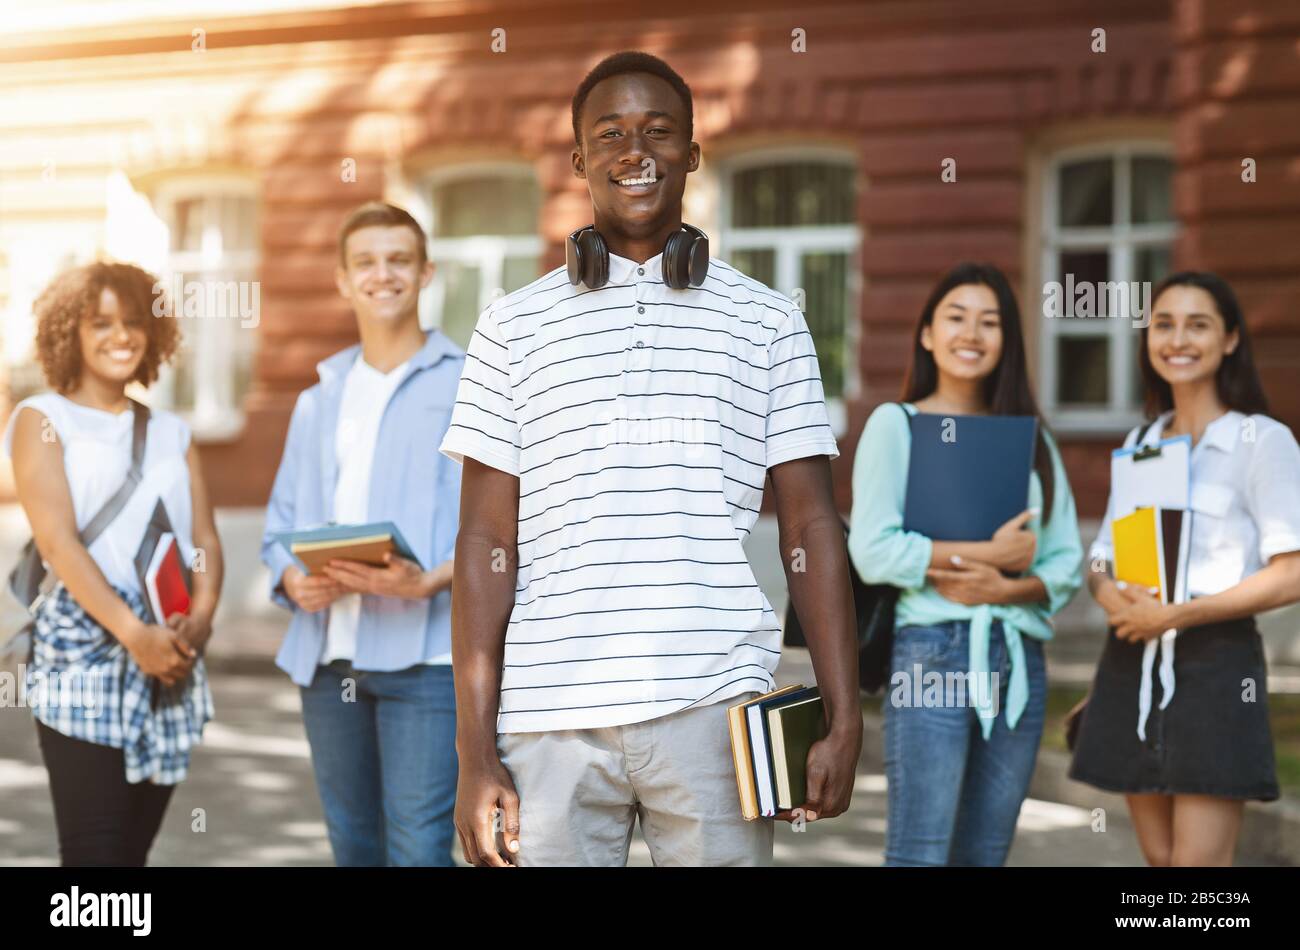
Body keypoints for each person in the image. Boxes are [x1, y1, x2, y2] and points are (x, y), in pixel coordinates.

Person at [439, 51, 862, 867]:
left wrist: (843, 715)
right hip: (548, 714)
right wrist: (474, 752)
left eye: (660, 132)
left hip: (714, 707)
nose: (637, 151)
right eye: (612, 134)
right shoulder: (510, 327)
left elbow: (810, 523)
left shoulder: (770, 322)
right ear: (580, 161)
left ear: (694, 154)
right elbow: (485, 542)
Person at [847, 262, 1083, 866]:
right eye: (955, 317)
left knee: (985, 855)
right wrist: (988, 558)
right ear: (927, 334)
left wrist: (1005, 590)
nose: (971, 333)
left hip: (1017, 660)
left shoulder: (1032, 440)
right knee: (921, 853)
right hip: (930, 654)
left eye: (990, 322)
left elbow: (1064, 565)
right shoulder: (896, 426)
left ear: (1008, 341)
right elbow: (873, 551)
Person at [1069, 272, 1300, 866]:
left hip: (1217, 668)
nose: (1178, 338)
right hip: (1130, 664)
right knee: (1161, 867)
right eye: (1164, 324)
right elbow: (1102, 556)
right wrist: (1104, 591)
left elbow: (1292, 571)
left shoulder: (1262, 441)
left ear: (1229, 340)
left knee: (1197, 875)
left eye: (1198, 324)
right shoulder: (1143, 440)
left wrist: (1178, 614)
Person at [260, 202, 463, 866]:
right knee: (353, 847)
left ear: (426, 272)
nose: (384, 274)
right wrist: (292, 578)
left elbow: (501, 530)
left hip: (427, 661)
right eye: (366, 262)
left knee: (418, 849)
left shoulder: (469, 385)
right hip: (327, 662)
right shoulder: (319, 396)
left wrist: (429, 578)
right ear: (344, 281)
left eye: (399, 259)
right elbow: (279, 528)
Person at [4, 261, 221, 866]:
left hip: (170, 648)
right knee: (93, 853)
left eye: (132, 322)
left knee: (129, 854)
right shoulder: (43, 419)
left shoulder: (174, 431)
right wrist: (132, 634)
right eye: (100, 323)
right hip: (86, 649)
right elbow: (58, 543)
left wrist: (200, 617)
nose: (120, 335)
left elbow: (202, 534)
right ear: (69, 333)